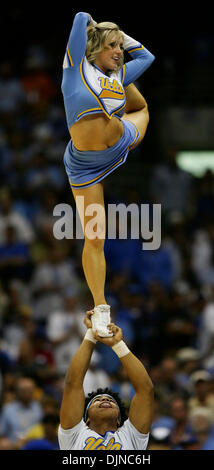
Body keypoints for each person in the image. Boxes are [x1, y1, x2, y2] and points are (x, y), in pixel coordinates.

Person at [61, 12, 155, 337]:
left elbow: (148, 56)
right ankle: (101, 309)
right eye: (111, 45)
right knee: (95, 238)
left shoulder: (118, 74)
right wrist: (96, 25)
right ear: (93, 47)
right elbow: (79, 18)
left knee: (141, 109)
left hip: (123, 140)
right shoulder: (74, 72)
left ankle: (130, 112)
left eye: (120, 45)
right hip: (86, 167)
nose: (119, 50)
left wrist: (118, 40)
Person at [58, 310, 154, 450]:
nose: (105, 400)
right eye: (97, 400)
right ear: (87, 419)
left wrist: (118, 345)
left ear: (118, 420)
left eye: (110, 401)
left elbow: (146, 389)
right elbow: (73, 384)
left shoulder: (131, 435)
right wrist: (91, 333)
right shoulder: (75, 433)